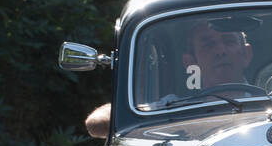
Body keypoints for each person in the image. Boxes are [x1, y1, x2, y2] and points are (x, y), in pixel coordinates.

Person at [85, 20, 255, 138]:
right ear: (190, 62)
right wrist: (121, 114)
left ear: (246, 54)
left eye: (228, 41)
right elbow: (95, 124)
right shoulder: (174, 109)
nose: (221, 51)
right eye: (209, 44)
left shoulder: (271, 104)